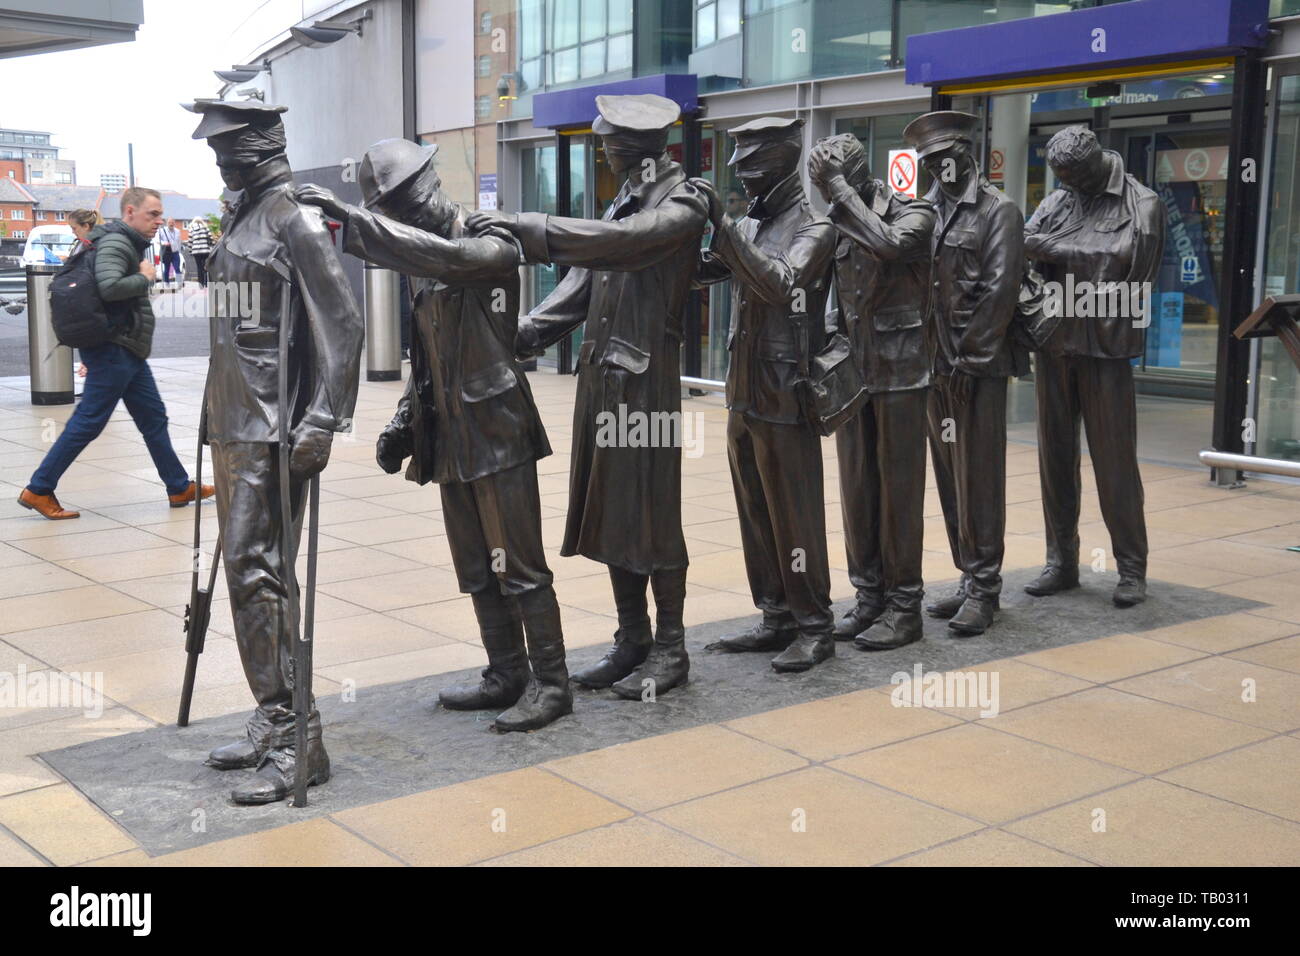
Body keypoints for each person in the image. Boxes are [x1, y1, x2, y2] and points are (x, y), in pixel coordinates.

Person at [296, 138, 571, 732]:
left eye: (403, 198)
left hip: (498, 426)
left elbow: (452, 259)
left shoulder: (487, 235)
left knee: (520, 564)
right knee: (475, 564)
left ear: (432, 181)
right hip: (448, 430)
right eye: (389, 207)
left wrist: (358, 222)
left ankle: (553, 683)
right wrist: (402, 421)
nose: (402, 212)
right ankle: (506, 674)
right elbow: (425, 356)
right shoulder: (415, 261)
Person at [468, 93, 708, 700]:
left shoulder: (682, 202)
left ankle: (672, 648)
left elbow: (618, 248)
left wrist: (529, 229)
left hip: (645, 386)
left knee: (653, 514)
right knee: (612, 513)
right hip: (603, 380)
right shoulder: (627, 198)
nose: (603, 149)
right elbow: (584, 282)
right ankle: (634, 638)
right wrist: (527, 333)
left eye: (609, 142)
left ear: (634, 146)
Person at [187, 99, 364, 805]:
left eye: (228, 153)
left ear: (259, 150)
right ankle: (274, 710)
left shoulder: (292, 216)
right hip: (234, 417)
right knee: (243, 571)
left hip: (274, 425)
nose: (220, 164)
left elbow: (342, 325)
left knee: (259, 572)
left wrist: (324, 418)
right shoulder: (243, 213)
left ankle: (303, 739)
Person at [692, 117, 839, 673]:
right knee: (755, 509)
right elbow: (705, 269)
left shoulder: (815, 228)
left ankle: (814, 624)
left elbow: (780, 283)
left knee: (794, 512)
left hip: (787, 392)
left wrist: (723, 226)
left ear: (776, 165)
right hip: (745, 391)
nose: (740, 180)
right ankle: (775, 613)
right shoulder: (750, 224)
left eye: (749, 169)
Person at [1023, 125, 1163, 608]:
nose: (1068, 188)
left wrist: (1059, 251)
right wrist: (1073, 258)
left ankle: (1131, 568)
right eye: (1061, 179)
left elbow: (1128, 272)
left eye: (1074, 179)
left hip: (1106, 350)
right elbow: (1025, 248)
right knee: (1054, 460)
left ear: (1094, 165)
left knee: (1114, 463)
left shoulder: (1141, 204)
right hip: (1055, 345)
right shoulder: (1062, 197)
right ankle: (1061, 561)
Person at [808, 133, 936, 651]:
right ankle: (869, 597)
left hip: (902, 371)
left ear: (855, 176)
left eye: (829, 180)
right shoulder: (835, 219)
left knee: (899, 493)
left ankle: (905, 606)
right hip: (853, 371)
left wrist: (840, 192)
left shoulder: (914, 210)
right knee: (858, 488)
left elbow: (889, 245)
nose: (823, 192)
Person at [18, 188, 214, 520]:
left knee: (153, 417)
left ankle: (178, 486)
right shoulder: (117, 243)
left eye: (159, 214)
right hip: (113, 347)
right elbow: (109, 287)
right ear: (129, 213)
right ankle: (39, 489)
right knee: (88, 421)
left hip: (126, 348)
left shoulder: (122, 240)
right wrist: (144, 277)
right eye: (151, 214)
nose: (158, 221)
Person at [907, 111, 1028, 637]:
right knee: (949, 474)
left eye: (944, 160)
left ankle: (985, 587)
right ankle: (965, 573)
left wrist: (968, 361)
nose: (938, 170)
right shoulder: (926, 210)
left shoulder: (999, 211)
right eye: (929, 164)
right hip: (933, 365)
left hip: (976, 367)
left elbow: (999, 293)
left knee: (979, 476)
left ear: (966, 153)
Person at [186, 215, 213, 287]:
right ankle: (206, 283)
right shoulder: (205, 228)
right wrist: (211, 246)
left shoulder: (191, 229)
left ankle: (200, 284)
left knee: (199, 267)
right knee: (205, 266)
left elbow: (190, 242)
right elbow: (210, 238)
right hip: (205, 250)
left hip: (196, 251)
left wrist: (190, 251)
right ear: (202, 221)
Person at [157, 218, 182, 288]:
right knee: (167, 268)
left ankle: (179, 283)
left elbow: (179, 242)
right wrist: (164, 243)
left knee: (177, 268)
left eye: (172, 222)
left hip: (175, 252)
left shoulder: (177, 231)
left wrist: (179, 251)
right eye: (169, 222)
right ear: (167, 223)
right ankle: (166, 282)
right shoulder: (162, 231)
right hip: (167, 252)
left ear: (174, 223)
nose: (171, 224)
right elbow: (158, 240)